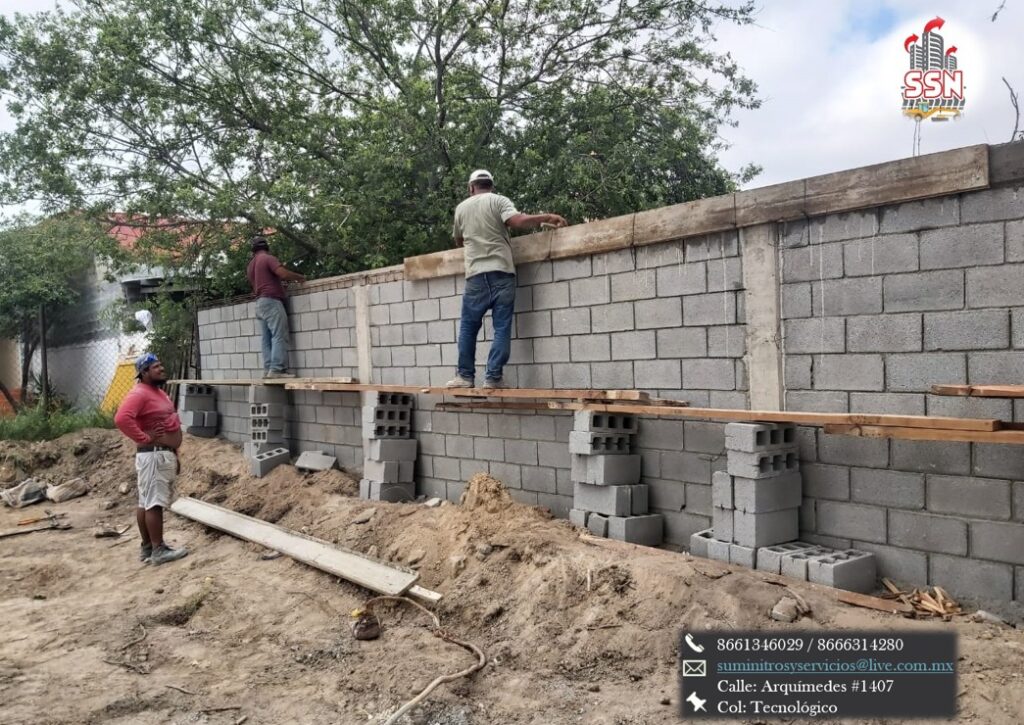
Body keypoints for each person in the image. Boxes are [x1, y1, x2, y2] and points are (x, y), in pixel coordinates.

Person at [446, 169, 567, 389]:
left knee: (468, 328)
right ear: (491, 185)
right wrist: (547, 217)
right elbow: (517, 221)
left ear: (471, 187)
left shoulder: (461, 208)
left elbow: (459, 240)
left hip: (475, 275)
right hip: (502, 271)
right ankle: (493, 378)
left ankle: (465, 377)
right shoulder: (498, 200)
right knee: (501, 327)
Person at [113, 353, 188, 566]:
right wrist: (144, 438)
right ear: (144, 373)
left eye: (161, 365)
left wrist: (174, 452)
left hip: (160, 454)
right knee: (153, 503)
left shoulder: (157, 392)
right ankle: (158, 550)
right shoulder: (140, 393)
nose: (161, 369)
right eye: (156, 367)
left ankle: (147, 547)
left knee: (146, 502)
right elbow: (121, 418)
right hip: (154, 455)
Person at [247, 235, 306, 379]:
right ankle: (277, 370)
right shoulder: (268, 258)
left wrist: (278, 285)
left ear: (253, 250)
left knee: (266, 338)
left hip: (260, 303)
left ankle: (268, 369)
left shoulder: (250, 266)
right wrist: (299, 277)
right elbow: (283, 273)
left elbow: (261, 283)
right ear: (266, 247)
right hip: (272, 301)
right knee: (279, 335)